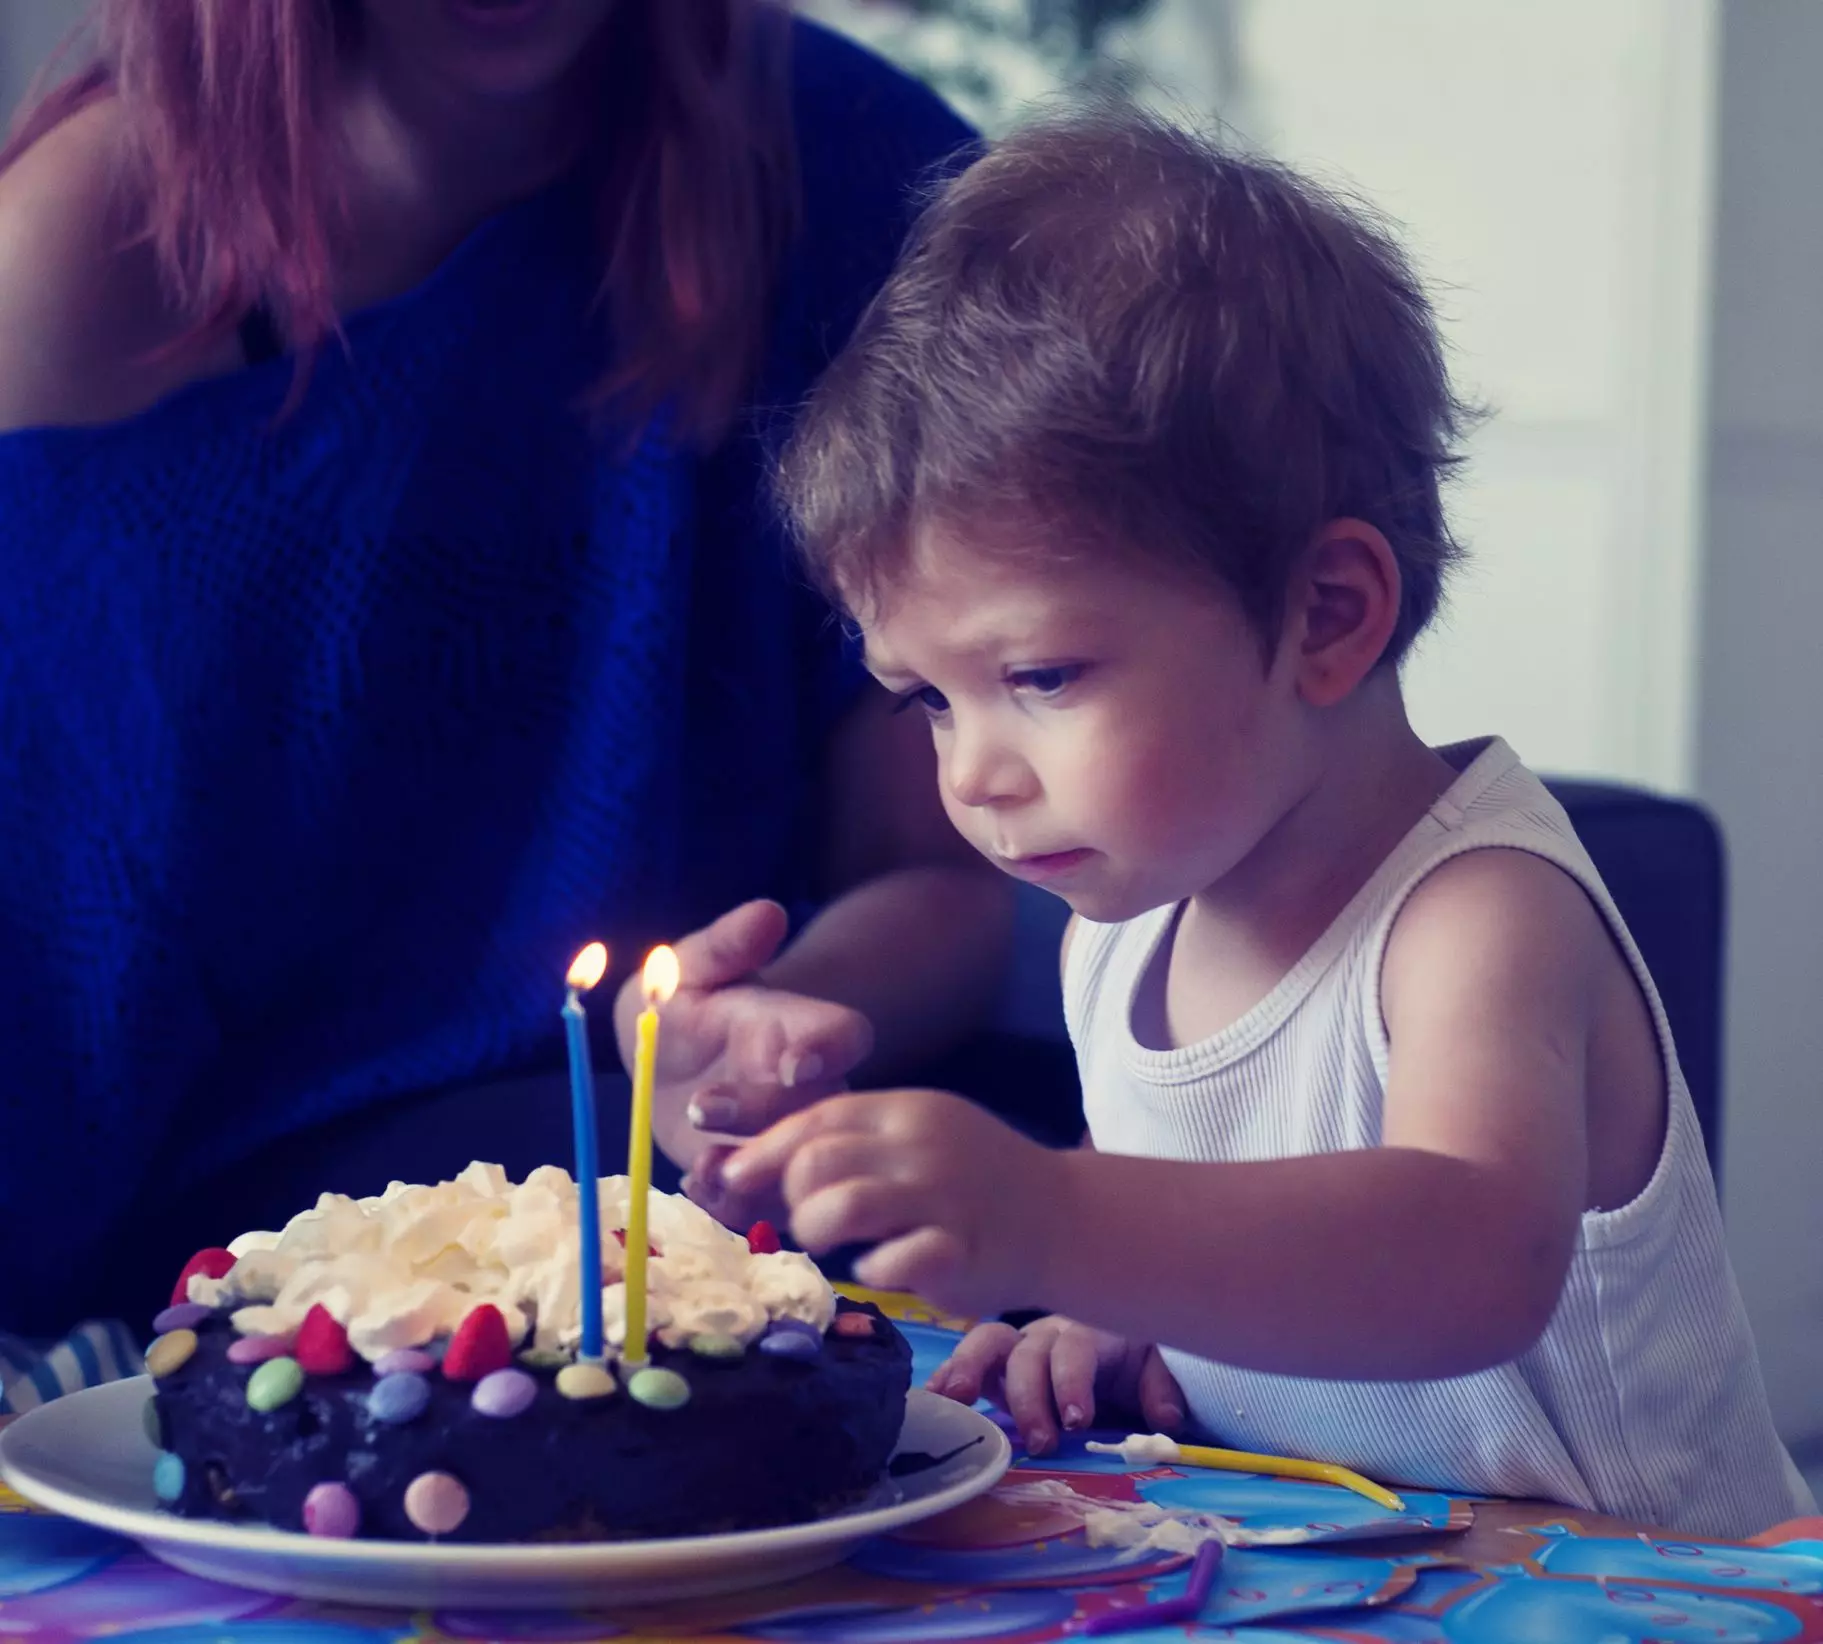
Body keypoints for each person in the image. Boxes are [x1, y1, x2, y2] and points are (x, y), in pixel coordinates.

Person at [703, 105, 1814, 1539]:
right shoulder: (1126, 926)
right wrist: (1141, 1325)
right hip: (1371, 1577)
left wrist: (1063, 1223)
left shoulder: (1476, 916)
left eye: (1037, 677)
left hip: (1655, 1596)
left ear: (1325, 616)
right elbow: (1303, 1296)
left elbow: (1461, 1264)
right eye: (926, 698)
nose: (971, 772)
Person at [0, 0, 1016, 1340]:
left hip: (687, 1124)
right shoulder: (74, 258)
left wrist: (767, 1035)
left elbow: (944, 875)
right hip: (233, 1206)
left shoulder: (844, 168)